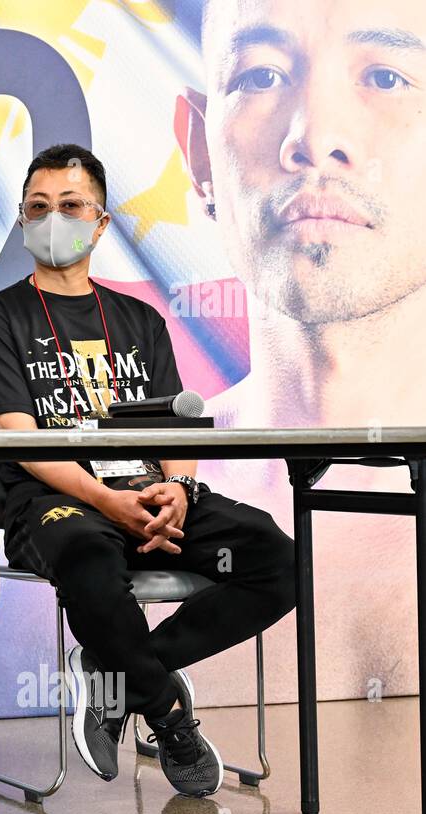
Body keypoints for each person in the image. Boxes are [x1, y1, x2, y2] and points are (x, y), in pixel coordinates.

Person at [0, 143, 296, 796]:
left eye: (71, 205)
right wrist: (103, 502)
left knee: (276, 559)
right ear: (22, 221)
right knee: (89, 561)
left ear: (102, 221)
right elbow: (20, 441)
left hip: (151, 495)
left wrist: (179, 487)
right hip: (54, 502)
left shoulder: (139, 319)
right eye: (38, 207)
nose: (53, 218)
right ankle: (169, 716)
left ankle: (116, 672)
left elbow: (171, 427)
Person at [177, 0, 424, 702]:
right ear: (197, 150)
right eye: (260, 77)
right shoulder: (105, 552)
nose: (314, 137)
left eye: (384, 77)